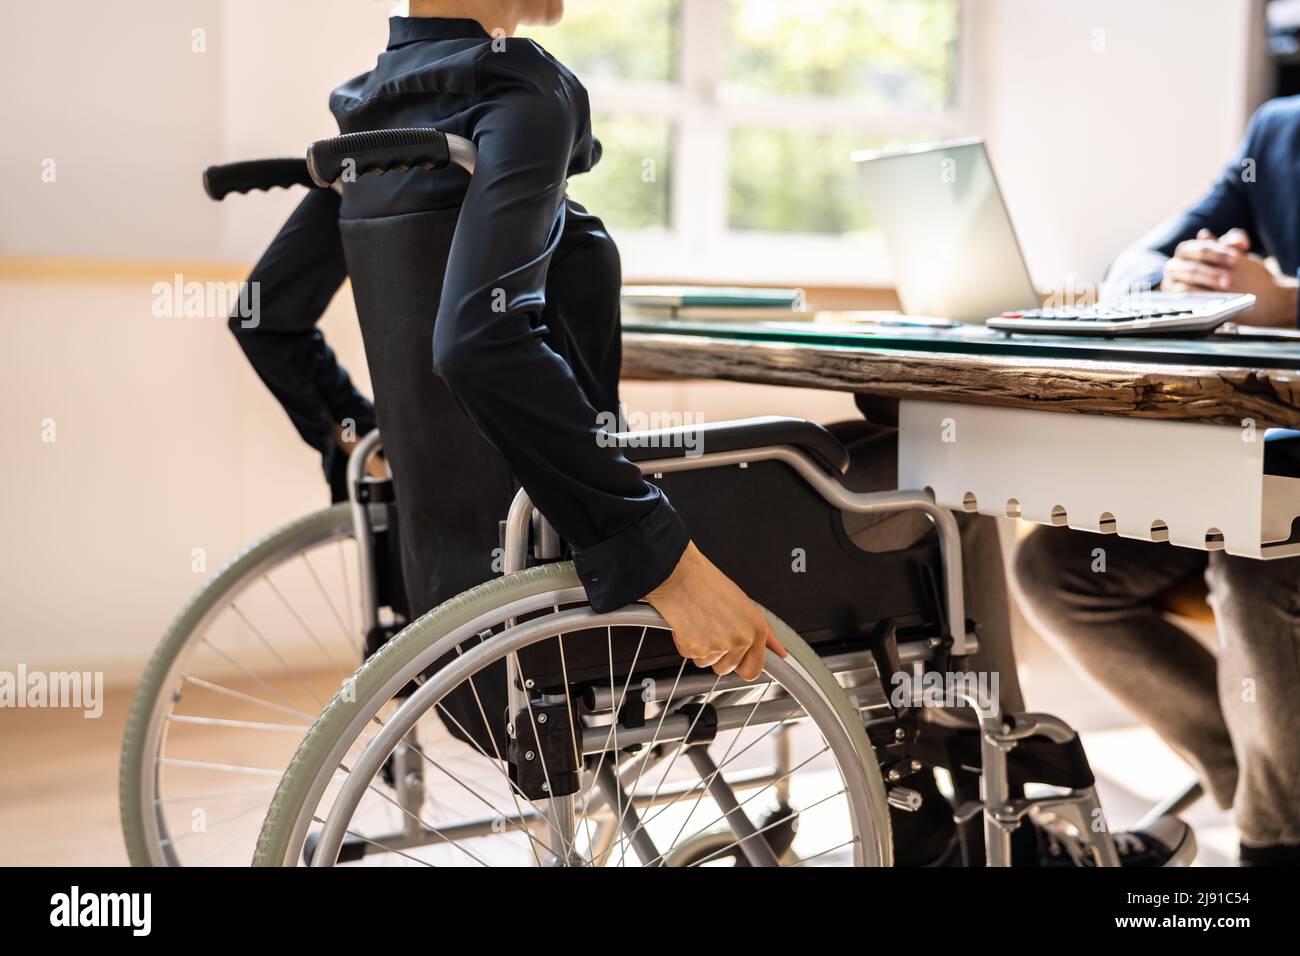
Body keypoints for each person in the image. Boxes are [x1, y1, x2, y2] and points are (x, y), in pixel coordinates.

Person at [1015, 95, 1300, 866]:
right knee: (1053, 567)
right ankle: (1264, 788)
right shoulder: (1280, 131)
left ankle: (1275, 840)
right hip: (1270, 461)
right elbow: (1131, 263)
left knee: (1256, 558)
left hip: (1278, 495)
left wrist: (1285, 304)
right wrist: (1173, 279)